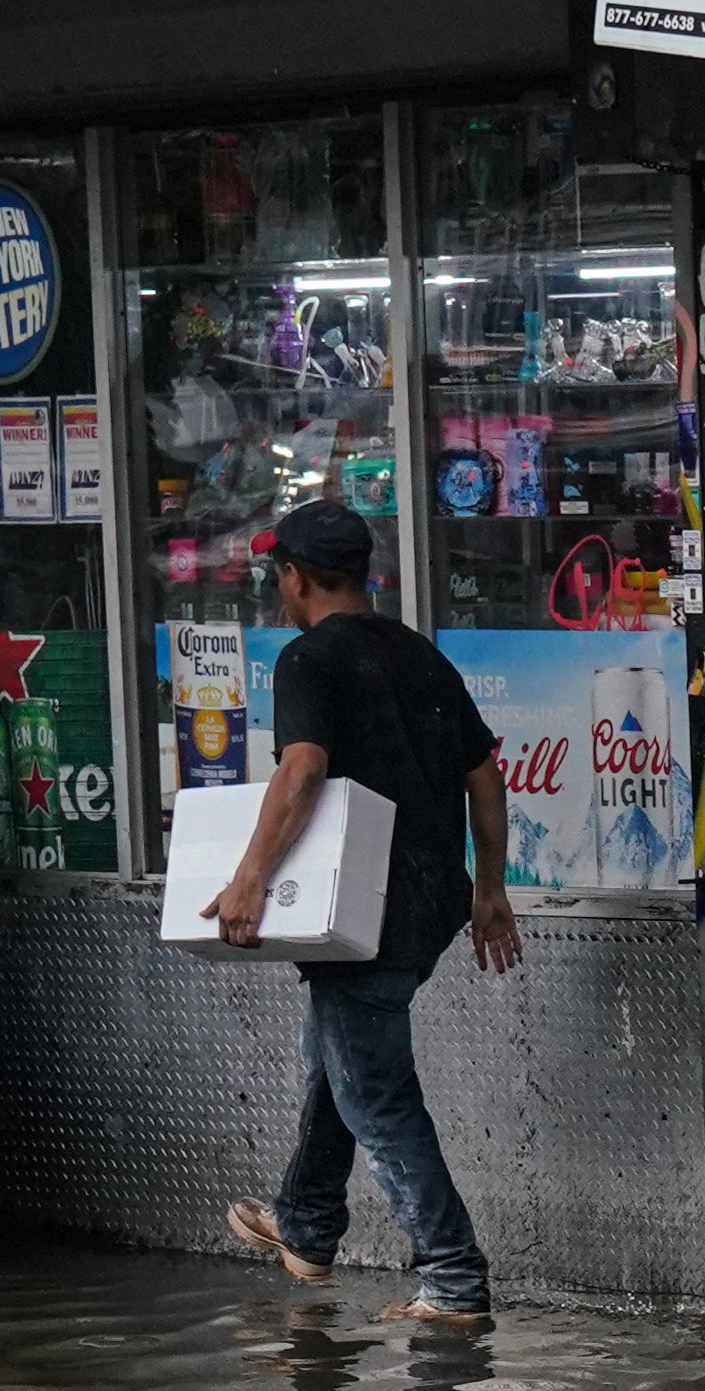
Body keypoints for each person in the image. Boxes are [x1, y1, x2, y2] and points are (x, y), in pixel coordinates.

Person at [208, 496, 516, 1324]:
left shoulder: (309, 659)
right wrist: (488, 889)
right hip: (427, 903)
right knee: (336, 1060)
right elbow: (485, 778)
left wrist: (249, 878)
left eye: (278, 572)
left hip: (363, 914)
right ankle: (307, 1226)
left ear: (294, 577)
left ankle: (453, 1278)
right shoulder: (421, 654)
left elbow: (302, 770)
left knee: (376, 1097)